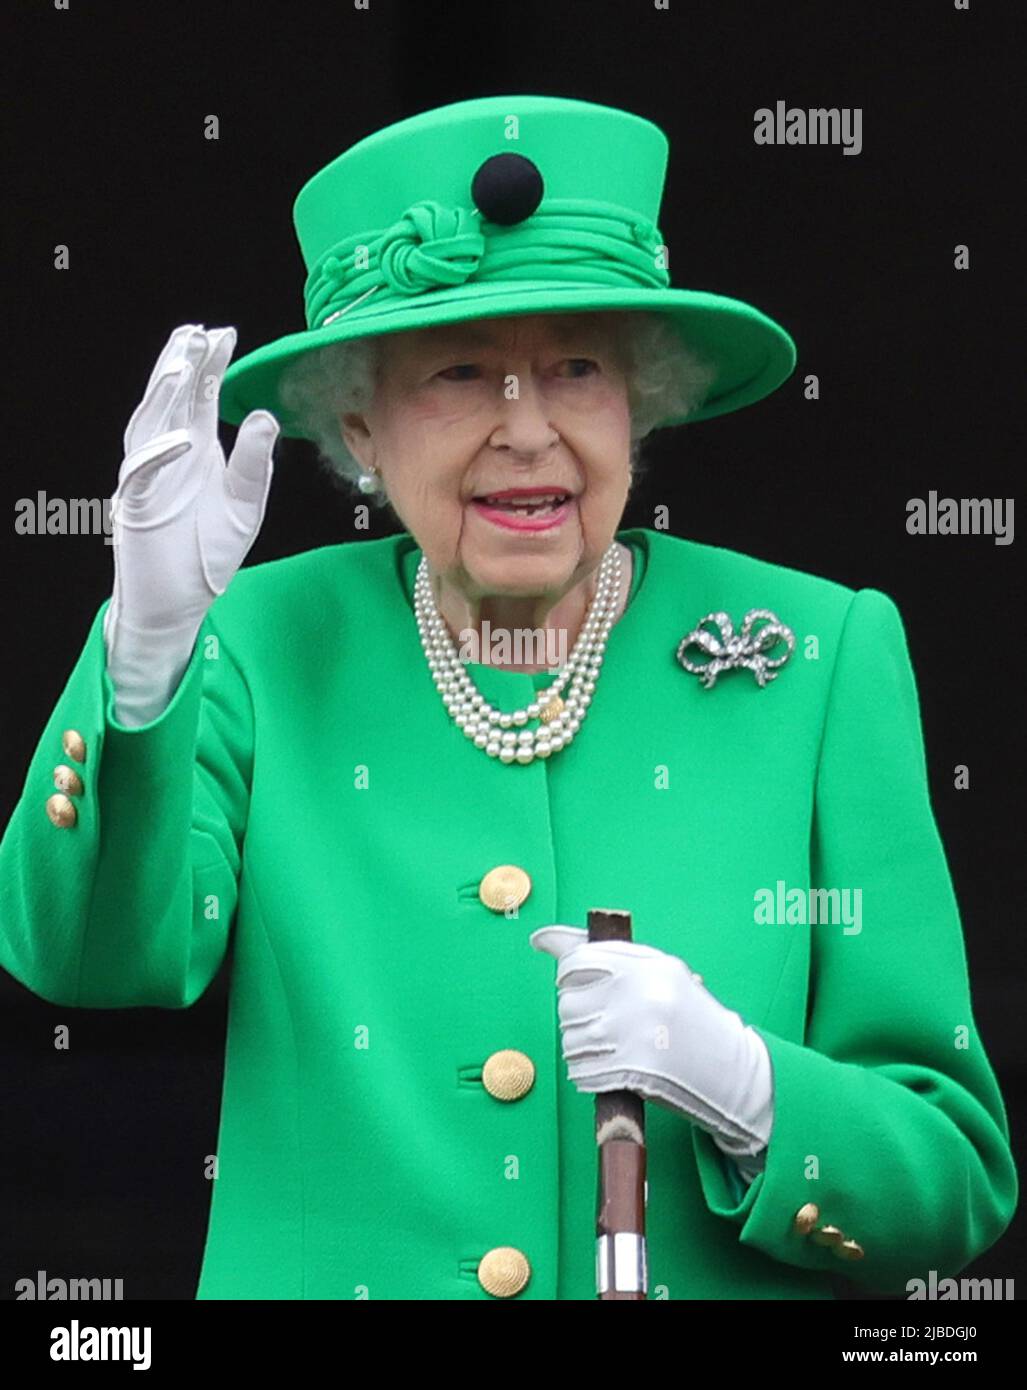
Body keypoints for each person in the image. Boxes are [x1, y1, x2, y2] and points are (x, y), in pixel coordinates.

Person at [0, 94, 1016, 1300]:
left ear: (640, 401)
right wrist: (146, 657)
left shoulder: (817, 651)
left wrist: (745, 1084)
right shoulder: (259, 642)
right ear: (361, 425)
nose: (524, 428)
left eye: (575, 368)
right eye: (462, 373)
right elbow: (92, 960)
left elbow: (954, 1180)